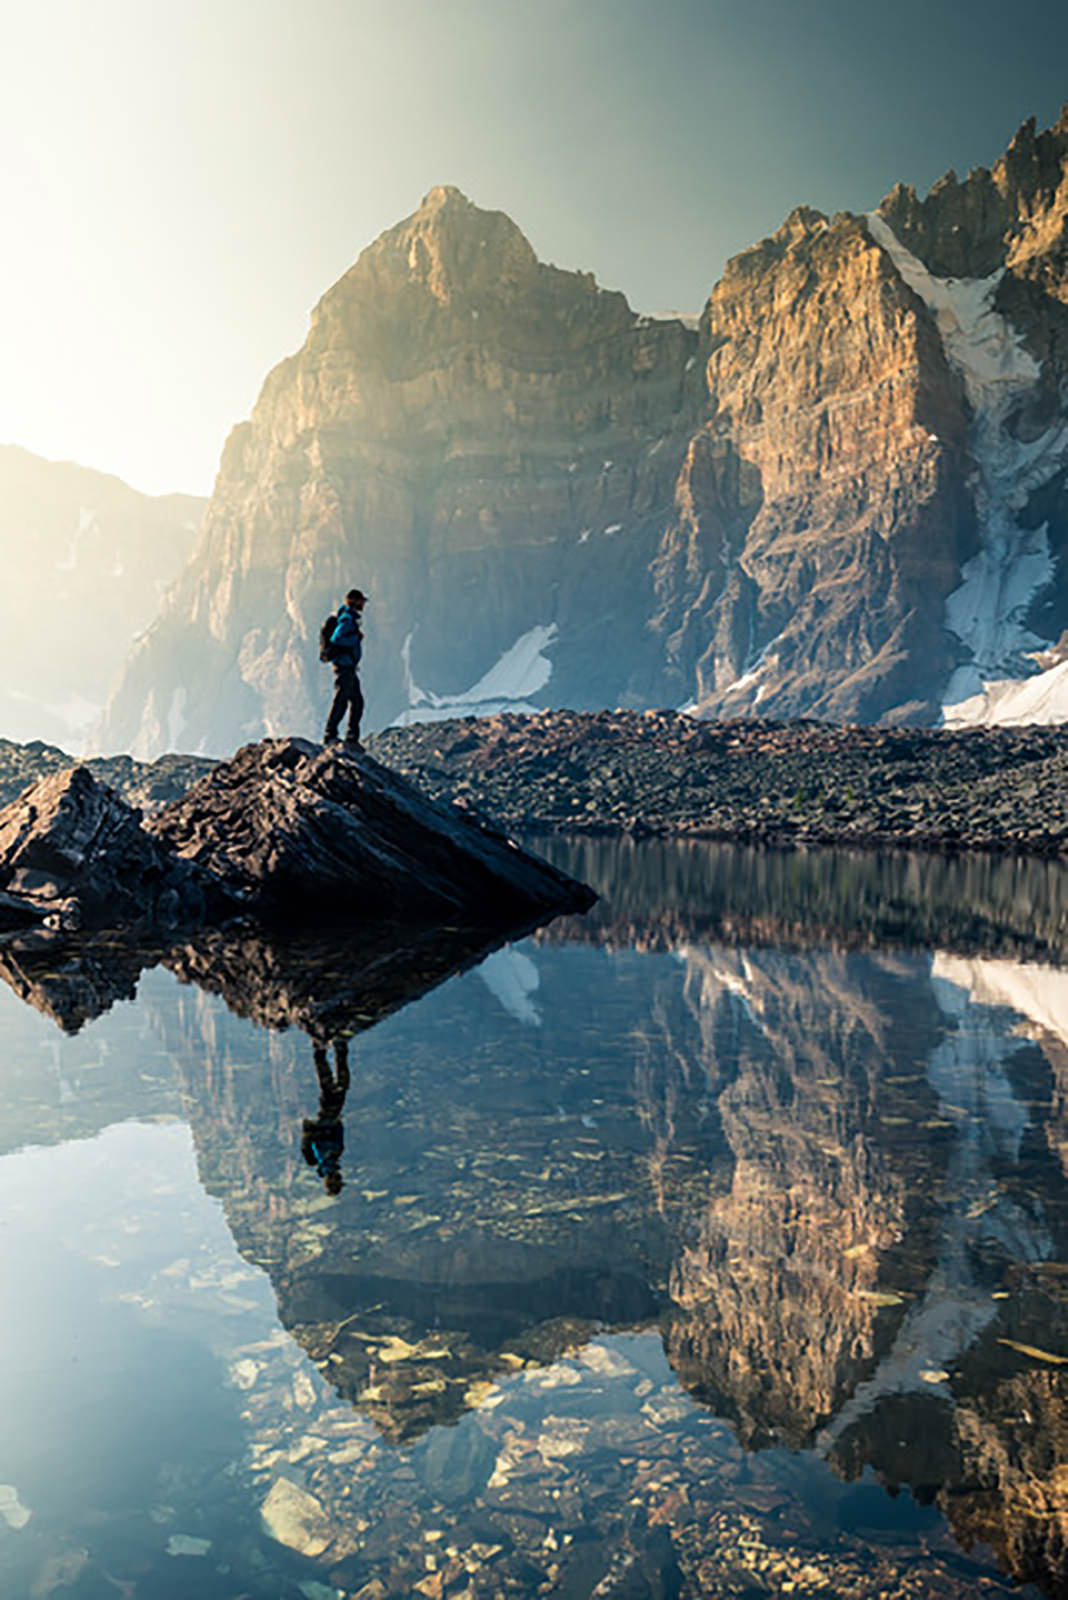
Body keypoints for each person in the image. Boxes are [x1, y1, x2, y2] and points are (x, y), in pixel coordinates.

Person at [301, 1037, 351, 1196]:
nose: (339, 1176)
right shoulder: (334, 1157)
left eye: (337, 1180)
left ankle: (326, 1048)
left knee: (334, 1085)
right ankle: (329, 1049)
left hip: (327, 1116)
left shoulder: (320, 1159)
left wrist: (330, 1125)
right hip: (330, 1116)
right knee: (334, 1085)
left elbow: (312, 1140)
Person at [324, 588, 366, 748]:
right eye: (361, 600)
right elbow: (337, 639)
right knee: (342, 701)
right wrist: (356, 637)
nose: (363, 604)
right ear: (354, 601)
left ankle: (351, 737)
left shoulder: (347, 617)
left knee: (357, 702)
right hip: (344, 667)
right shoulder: (347, 619)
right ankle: (331, 735)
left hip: (347, 667)